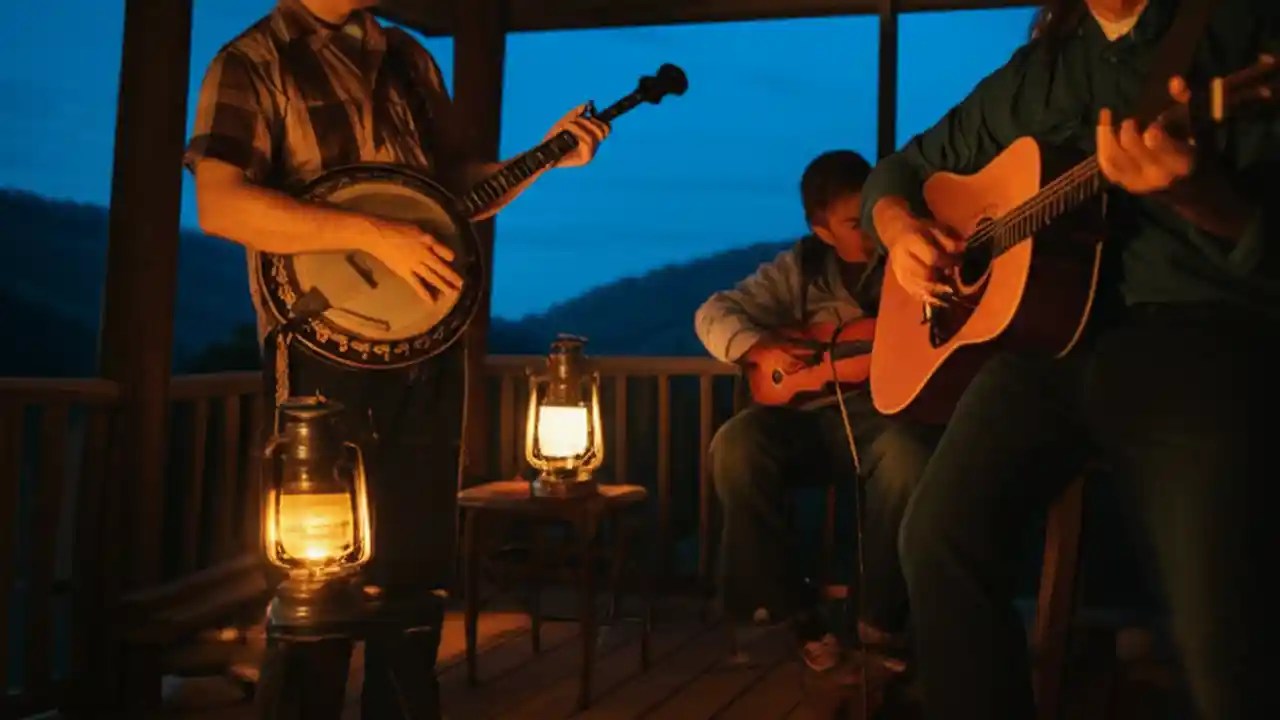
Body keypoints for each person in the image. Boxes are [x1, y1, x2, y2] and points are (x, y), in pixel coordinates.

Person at [184, 1, 609, 717]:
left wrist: (545, 156)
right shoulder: (253, 60)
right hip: (320, 349)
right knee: (315, 577)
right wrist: (374, 235)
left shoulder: (408, 58)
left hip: (429, 343)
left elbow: (454, 196)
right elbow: (222, 206)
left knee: (415, 564)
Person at [860, 0, 1278, 717]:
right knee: (936, 539)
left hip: (1201, 339)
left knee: (1222, 629)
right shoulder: (1045, 69)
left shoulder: (1241, 29)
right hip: (1048, 351)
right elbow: (898, 173)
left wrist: (1204, 201)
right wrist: (901, 232)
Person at [694, 150, 940, 685]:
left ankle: (879, 623)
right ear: (821, 229)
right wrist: (758, 348)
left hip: (889, 415)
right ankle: (792, 615)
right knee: (736, 445)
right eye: (855, 224)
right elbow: (712, 312)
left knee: (906, 459)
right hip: (810, 420)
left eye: (876, 216)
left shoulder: (910, 252)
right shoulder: (799, 268)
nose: (872, 233)